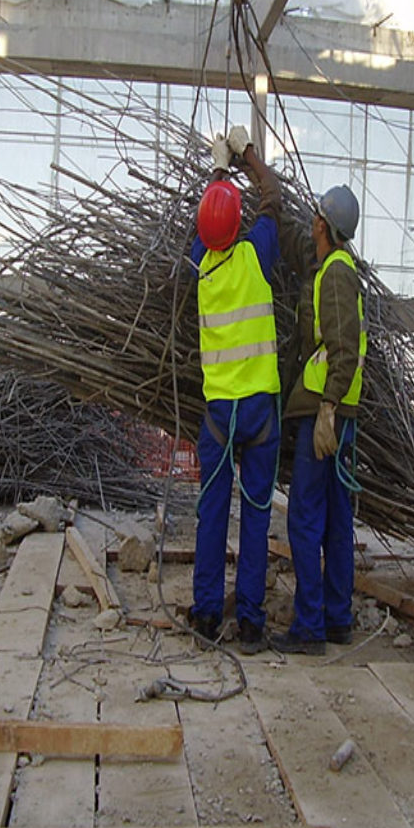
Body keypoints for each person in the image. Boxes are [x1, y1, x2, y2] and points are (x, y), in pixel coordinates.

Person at [188, 125, 281, 656]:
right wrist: (248, 157)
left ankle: (205, 615)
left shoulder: (203, 265)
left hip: (220, 413)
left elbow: (207, 224)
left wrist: (217, 168)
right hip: (261, 415)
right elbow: (273, 201)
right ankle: (250, 621)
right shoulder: (255, 256)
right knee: (257, 516)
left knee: (212, 513)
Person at [272, 184, 366, 656]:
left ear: (327, 227)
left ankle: (309, 626)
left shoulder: (335, 275)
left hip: (325, 415)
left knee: (306, 519)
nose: (310, 225)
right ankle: (336, 619)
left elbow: (343, 347)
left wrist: (327, 407)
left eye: (316, 219)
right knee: (334, 519)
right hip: (336, 413)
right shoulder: (332, 269)